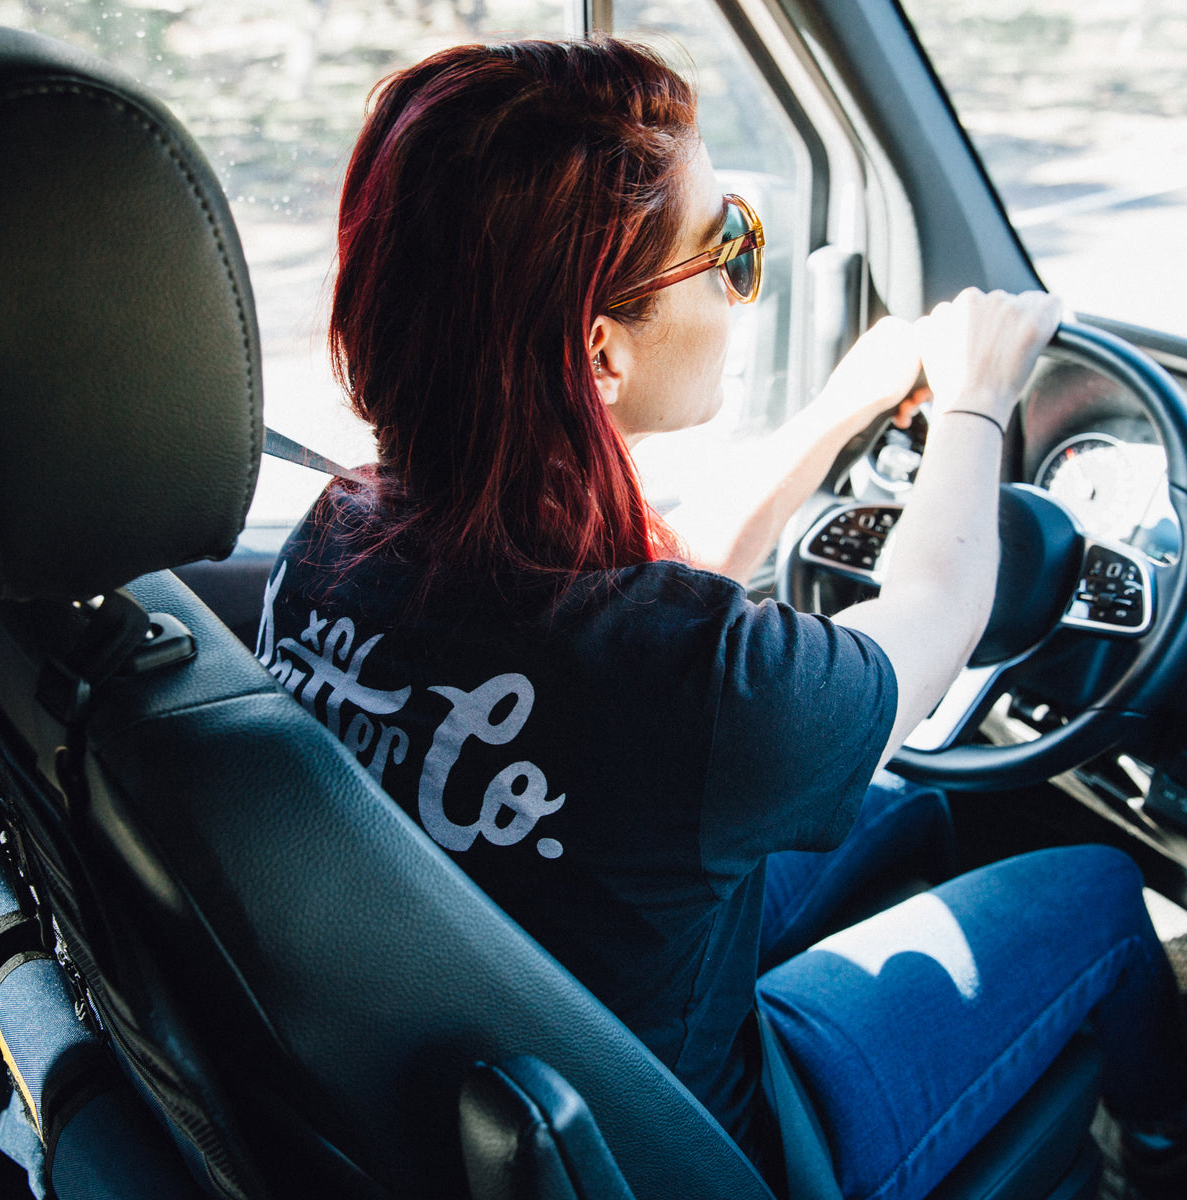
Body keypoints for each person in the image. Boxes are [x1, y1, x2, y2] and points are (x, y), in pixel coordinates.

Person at [259, 37, 1187, 1200]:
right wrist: (976, 402)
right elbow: (938, 613)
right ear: (598, 353)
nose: (747, 274)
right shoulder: (686, 680)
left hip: (487, 1072)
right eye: (728, 250)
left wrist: (842, 410)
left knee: (918, 809)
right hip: (696, 1150)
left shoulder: (340, 541)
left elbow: (657, 622)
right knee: (1099, 889)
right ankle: (1148, 1163)